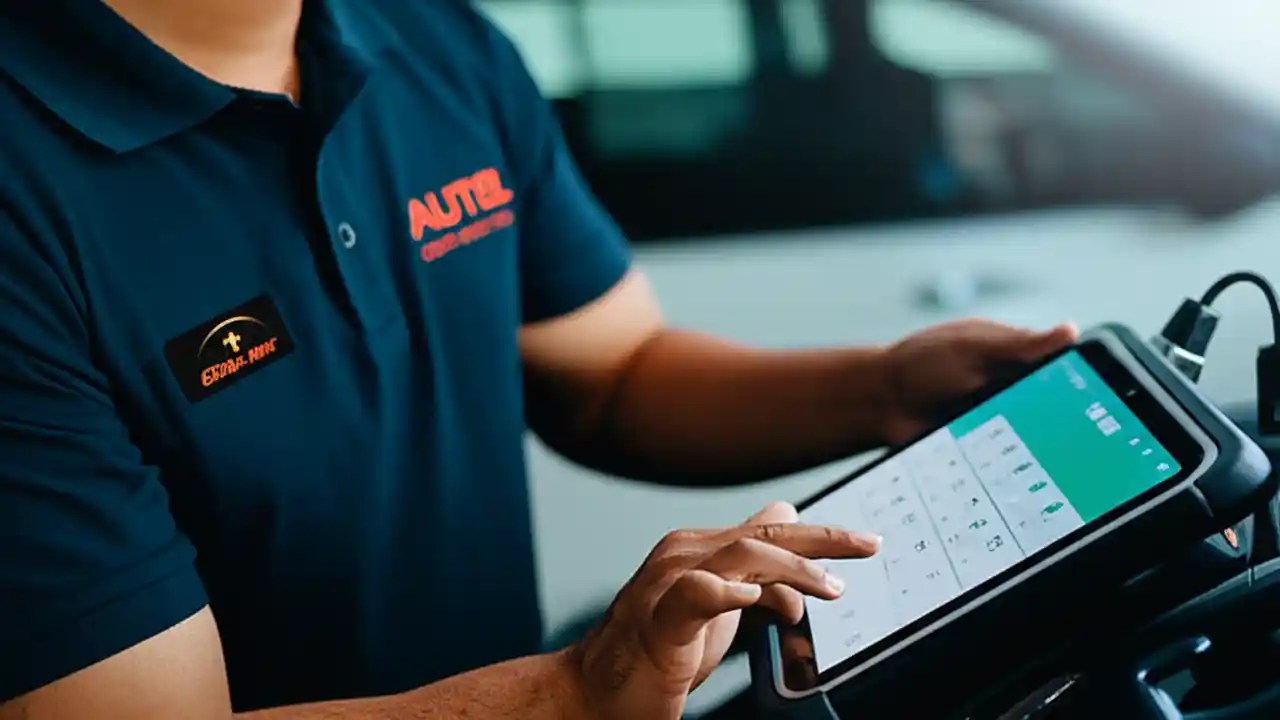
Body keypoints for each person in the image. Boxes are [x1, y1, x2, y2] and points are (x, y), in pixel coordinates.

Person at [0, 0, 1077, 717]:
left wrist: (881, 388)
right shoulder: (26, 183)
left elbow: (612, 372)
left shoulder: (434, 42)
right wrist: (575, 692)